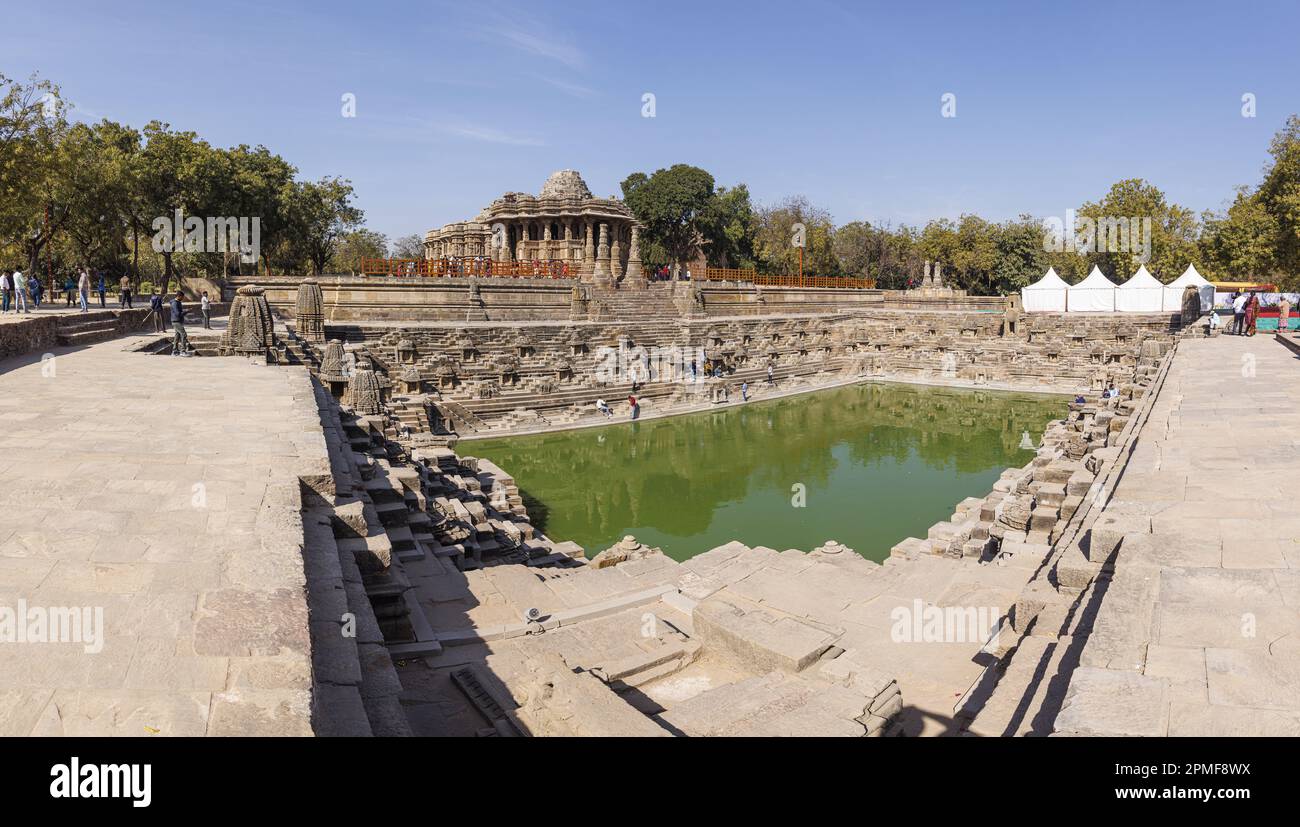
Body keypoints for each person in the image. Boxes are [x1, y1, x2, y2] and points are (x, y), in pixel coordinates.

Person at [169, 290, 189, 355]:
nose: (183, 298)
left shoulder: (177, 302)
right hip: (176, 321)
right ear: (179, 296)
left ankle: (175, 350)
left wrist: (185, 311)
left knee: (177, 335)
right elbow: (177, 313)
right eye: (182, 297)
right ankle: (183, 350)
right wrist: (186, 312)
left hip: (177, 320)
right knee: (183, 334)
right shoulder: (175, 303)